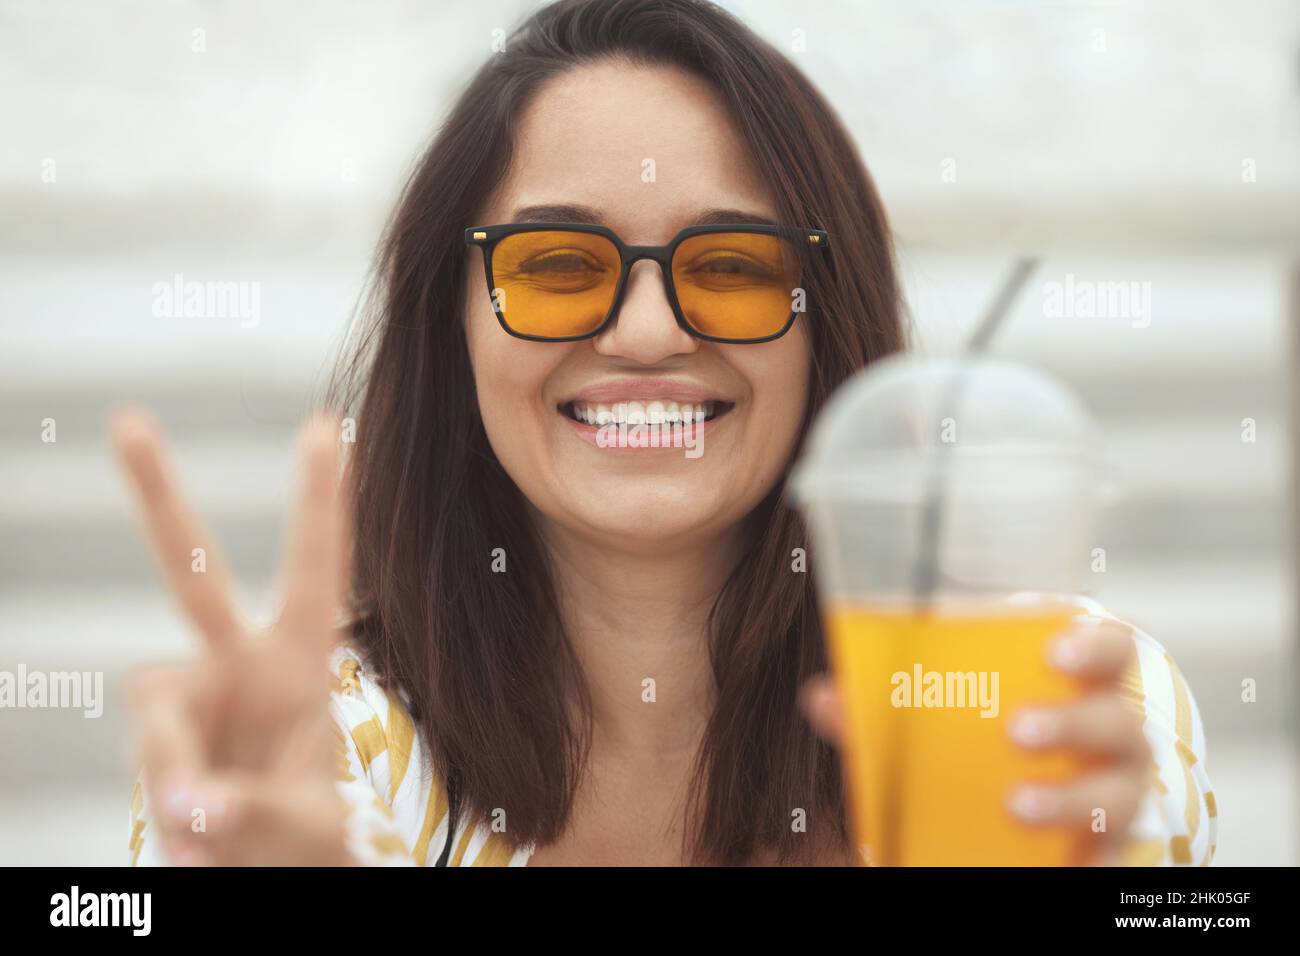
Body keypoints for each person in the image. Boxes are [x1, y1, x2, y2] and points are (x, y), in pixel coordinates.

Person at [118, 0, 1214, 867]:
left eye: (731, 266)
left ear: (821, 325)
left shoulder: (1067, 712)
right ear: (451, 327)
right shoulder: (323, 750)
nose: (646, 331)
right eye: (555, 266)